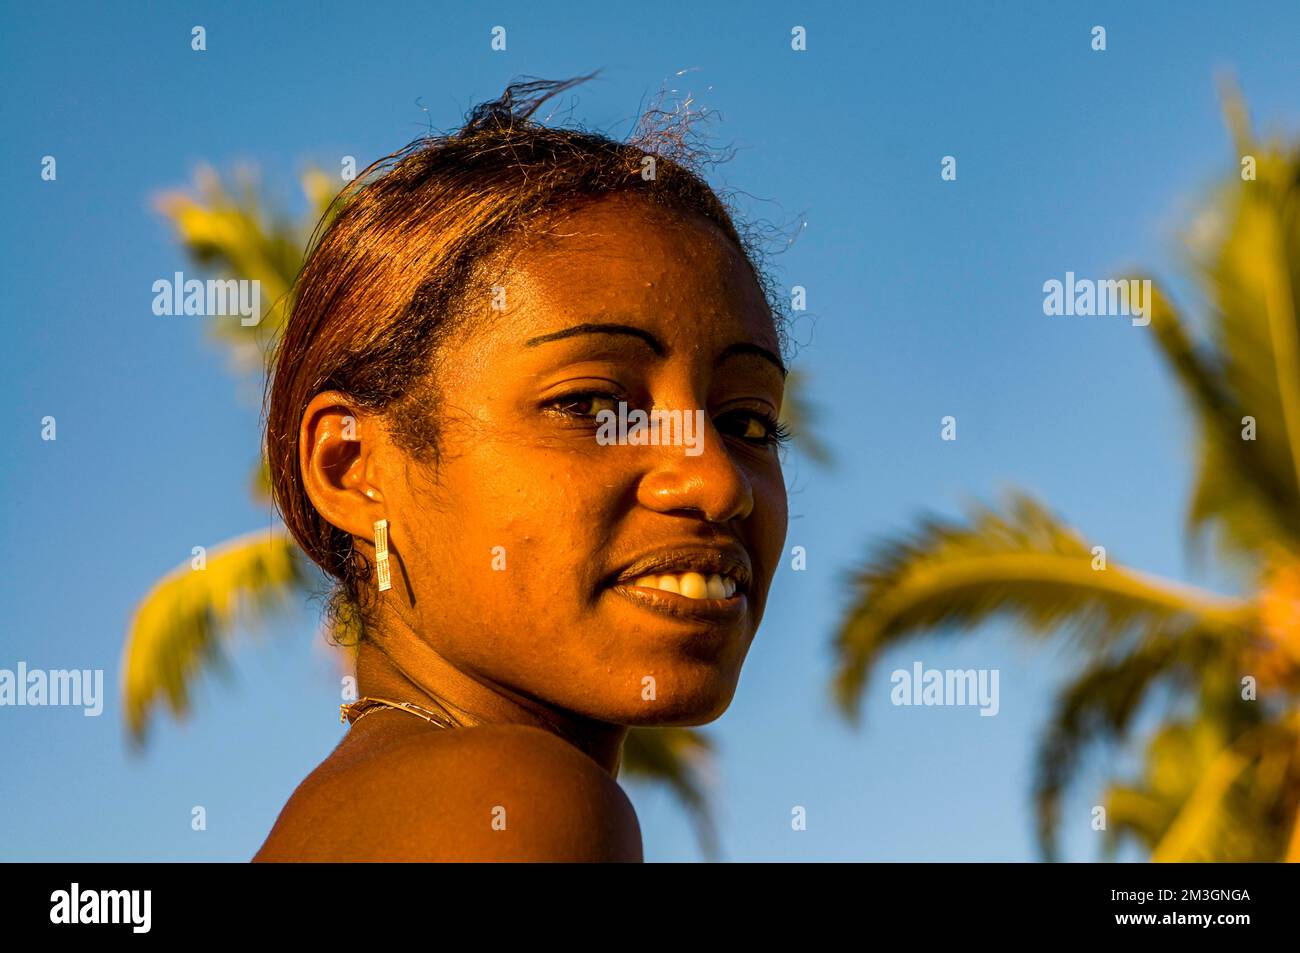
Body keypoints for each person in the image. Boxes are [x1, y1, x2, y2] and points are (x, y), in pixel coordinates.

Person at [253, 75, 791, 861]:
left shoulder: (367, 809)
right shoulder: (510, 804)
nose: (716, 482)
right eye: (592, 405)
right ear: (350, 465)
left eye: (748, 421)